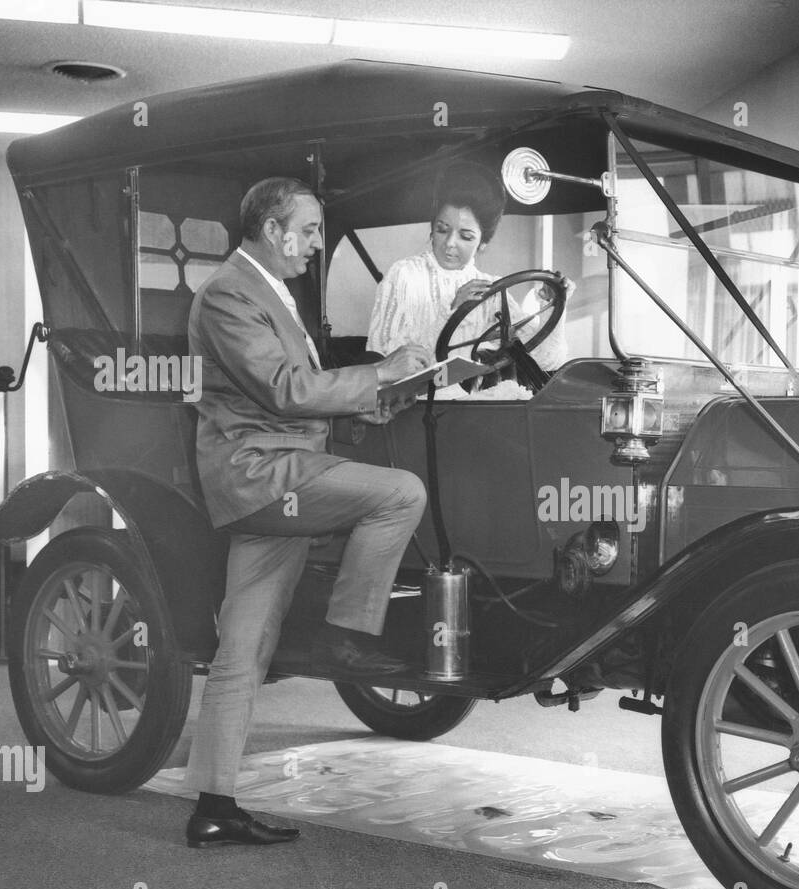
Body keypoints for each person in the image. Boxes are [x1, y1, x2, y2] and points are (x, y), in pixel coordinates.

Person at [184, 176, 428, 848]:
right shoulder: (231, 291)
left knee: (243, 649)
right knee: (401, 492)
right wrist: (381, 373)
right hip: (261, 476)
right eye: (311, 229)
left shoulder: (267, 292)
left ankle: (213, 805)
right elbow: (287, 391)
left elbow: (292, 397)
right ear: (271, 228)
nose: (318, 243)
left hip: (274, 482)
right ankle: (344, 635)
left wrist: (378, 396)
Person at [365, 161, 572, 399]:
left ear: (483, 243)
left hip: (469, 405)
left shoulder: (492, 289)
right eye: (442, 229)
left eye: (465, 236)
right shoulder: (403, 275)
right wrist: (451, 312)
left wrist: (556, 305)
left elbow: (544, 361)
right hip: (410, 406)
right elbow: (379, 358)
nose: (450, 243)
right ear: (432, 227)